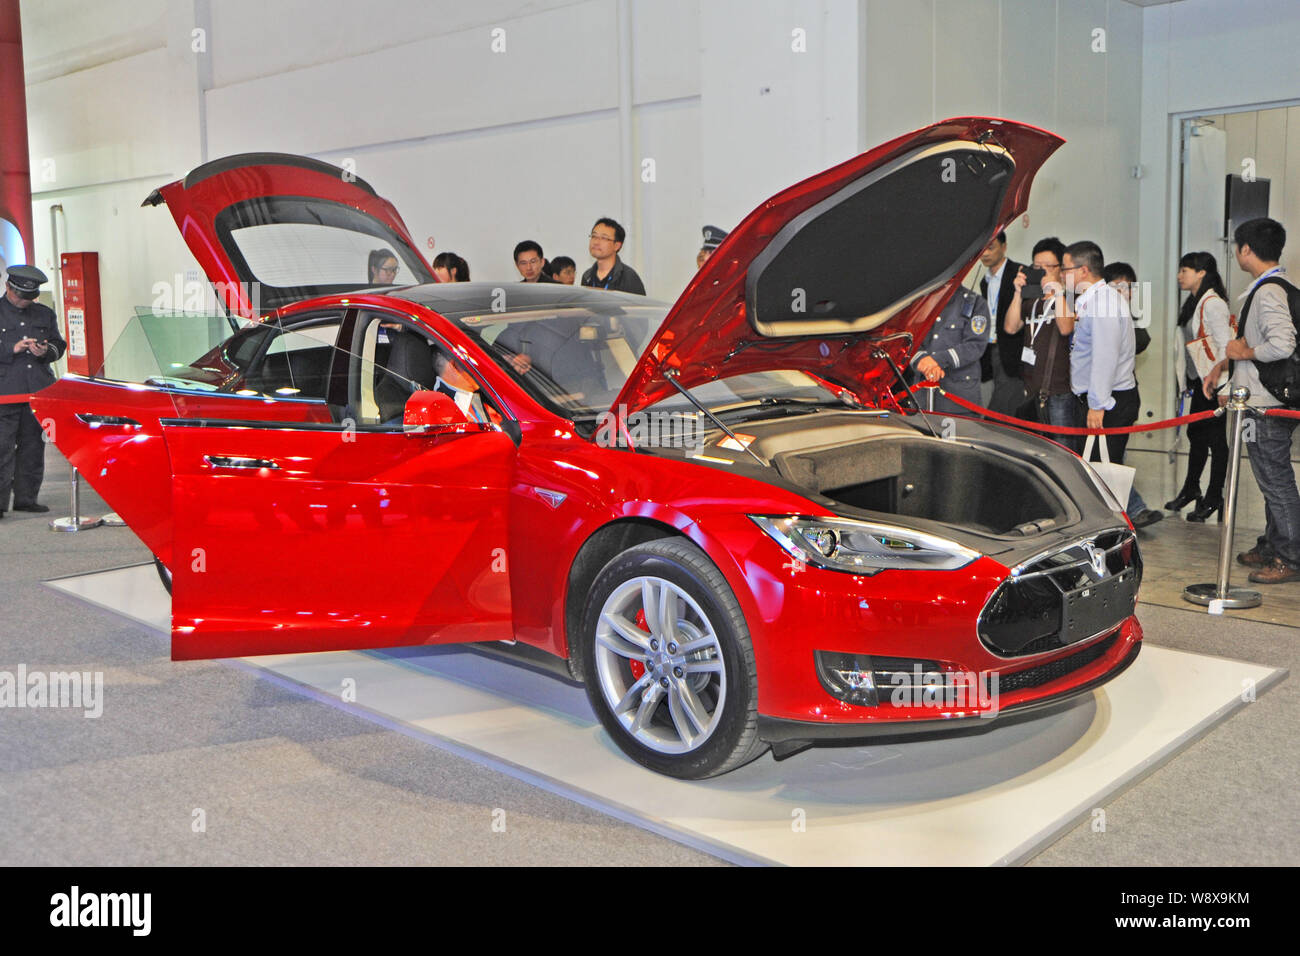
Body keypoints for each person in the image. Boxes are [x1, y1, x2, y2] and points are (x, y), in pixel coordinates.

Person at [1050, 241, 1162, 529]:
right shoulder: (1090, 300)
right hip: (1094, 396)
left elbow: (1105, 357)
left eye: (1065, 269)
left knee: (1104, 478)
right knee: (1093, 474)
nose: (1062, 275)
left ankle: (1111, 533)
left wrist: (1096, 404)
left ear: (1083, 269)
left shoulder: (1106, 304)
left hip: (1108, 400)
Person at [1213, 218, 1300, 584]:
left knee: (1276, 482)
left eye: (1237, 247)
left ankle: (1289, 557)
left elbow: (1283, 343)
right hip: (1263, 399)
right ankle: (1272, 544)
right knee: (1270, 480)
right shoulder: (1276, 287)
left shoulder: (1268, 292)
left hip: (1267, 403)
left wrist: (1244, 351)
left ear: (1245, 250)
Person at [1166, 252, 1232, 521]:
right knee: (1196, 435)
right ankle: (1191, 488)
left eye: (1185, 270)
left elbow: (1227, 348)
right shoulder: (1194, 302)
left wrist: (1225, 388)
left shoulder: (1214, 304)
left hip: (1215, 384)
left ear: (1202, 272)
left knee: (1216, 441)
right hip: (1200, 381)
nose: (1180, 276)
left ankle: (1215, 496)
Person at [0, 265, 66, 517]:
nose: (25, 301)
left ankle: (26, 498)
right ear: (8, 287)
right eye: (20, 296)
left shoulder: (44, 314)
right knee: (2, 449)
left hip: (36, 390)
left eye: (30, 297)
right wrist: (11, 348)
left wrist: (45, 352)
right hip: (5, 392)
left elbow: (59, 345)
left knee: (33, 447)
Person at [1004, 237, 1076, 448]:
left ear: (1061, 269)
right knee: (1035, 448)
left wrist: (1058, 291)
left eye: (1048, 267)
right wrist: (1018, 293)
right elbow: (1010, 327)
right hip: (1031, 388)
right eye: (1037, 267)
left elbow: (1066, 327)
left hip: (1060, 389)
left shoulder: (1070, 296)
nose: (1042, 272)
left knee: (1063, 451)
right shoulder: (1032, 299)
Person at [909, 286, 990, 416]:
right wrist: (921, 361)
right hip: (922, 397)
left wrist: (937, 361)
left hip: (958, 398)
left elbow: (975, 345)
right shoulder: (920, 303)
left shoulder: (975, 303)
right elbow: (908, 339)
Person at [977, 231, 1026, 415]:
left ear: (1004, 247)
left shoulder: (1018, 274)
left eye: (991, 248)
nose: (985, 253)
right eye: (983, 249)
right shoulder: (985, 280)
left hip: (1012, 347)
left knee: (1004, 405)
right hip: (989, 347)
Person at [581, 218, 645, 294]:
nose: (596, 242)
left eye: (604, 238)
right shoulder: (587, 276)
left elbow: (640, 305)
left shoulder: (629, 277)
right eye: (594, 236)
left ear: (617, 246)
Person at [1103, 262, 1151, 355]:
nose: (1124, 292)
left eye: (1129, 287)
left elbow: (1142, 341)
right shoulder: (1092, 313)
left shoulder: (1126, 313)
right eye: (1119, 286)